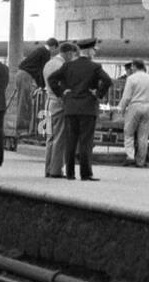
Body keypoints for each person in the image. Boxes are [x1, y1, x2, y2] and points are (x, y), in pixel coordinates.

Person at [48, 39, 112, 180]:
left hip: (70, 108)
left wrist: (62, 92)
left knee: (71, 140)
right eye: (94, 50)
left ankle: (70, 173)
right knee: (86, 141)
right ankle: (85, 173)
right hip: (88, 108)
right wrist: (98, 93)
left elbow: (52, 79)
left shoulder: (68, 66)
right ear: (89, 51)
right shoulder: (95, 66)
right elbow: (108, 81)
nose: (94, 52)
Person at [42, 42, 77, 178]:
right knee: (59, 138)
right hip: (59, 104)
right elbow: (61, 84)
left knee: (50, 138)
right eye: (72, 55)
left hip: (48, 103)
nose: (73, 57)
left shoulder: (49, 63)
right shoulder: (62, 65)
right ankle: (56, 170)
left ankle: (48, 168)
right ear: (68, 53)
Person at [120, 60, 149, 167]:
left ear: (135, 66)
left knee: (129, 132)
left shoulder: (131, 78)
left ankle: (130, 156)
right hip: (147, 107)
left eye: (132, 66)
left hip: (135, 106)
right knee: (143, 135)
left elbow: (126, 96)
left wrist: (122, 109)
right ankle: (141, 161)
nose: (131, 68)